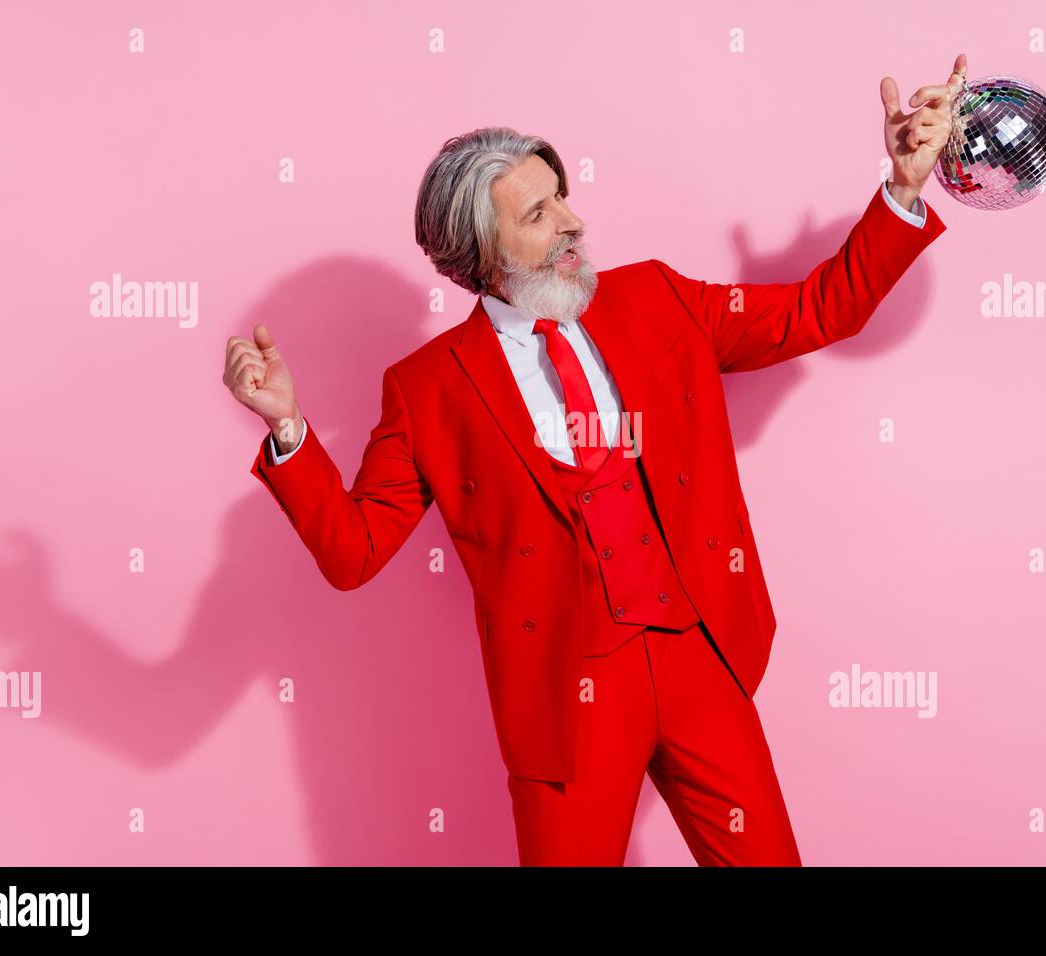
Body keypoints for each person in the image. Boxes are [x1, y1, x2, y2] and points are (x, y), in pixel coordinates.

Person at [222, 55, 966, 866]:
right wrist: (290, 427)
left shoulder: (657, 298)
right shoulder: (428, 388)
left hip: (698, 656)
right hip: (565, 705)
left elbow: (823, 308)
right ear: (482, 250)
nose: (572, 222)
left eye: (563, 195)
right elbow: (353, 551)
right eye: (538, 213)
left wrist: (901, 188)